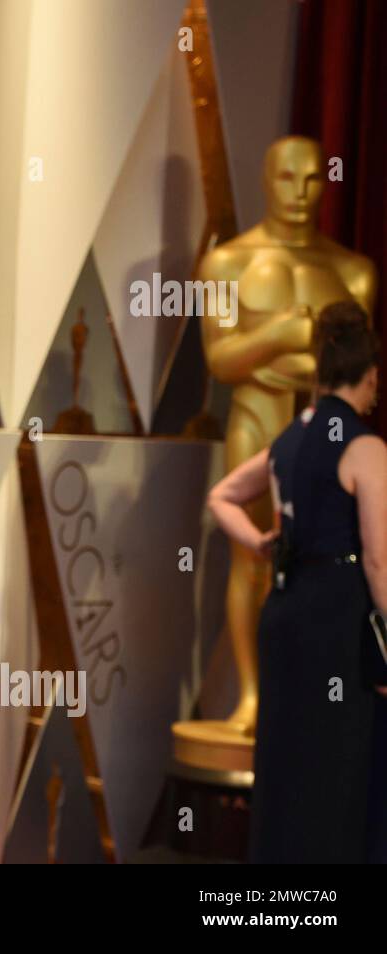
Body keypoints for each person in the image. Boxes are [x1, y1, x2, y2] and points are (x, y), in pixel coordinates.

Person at [207, 301, 387, 863]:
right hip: (338, 616)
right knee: (338, 762)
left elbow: (222, 495)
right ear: (371, 376)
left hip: (284, 613)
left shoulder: (289, 439)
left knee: (285, 758)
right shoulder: (364, 446)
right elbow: (379, 560)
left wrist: (259, 541)